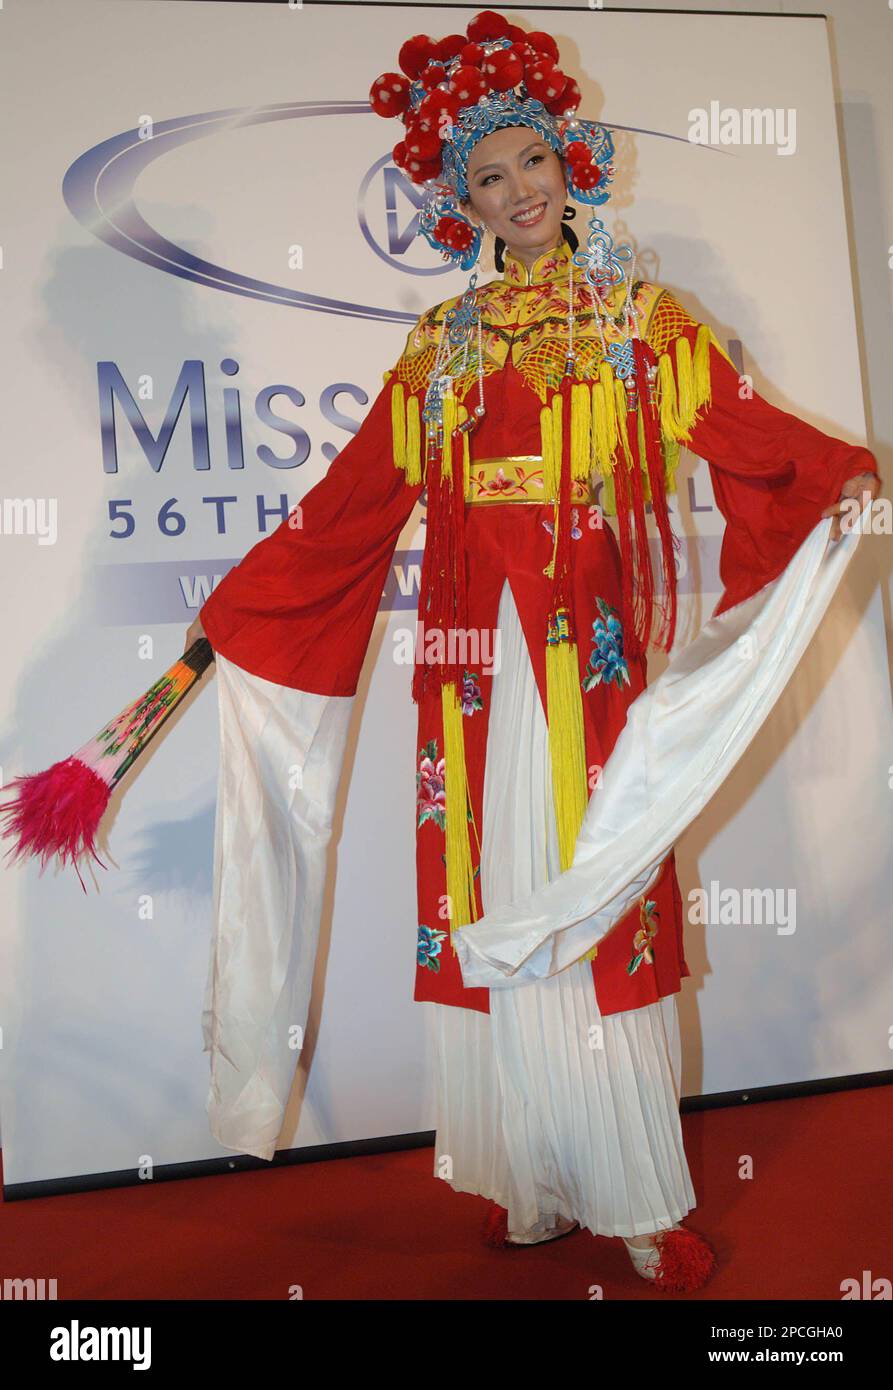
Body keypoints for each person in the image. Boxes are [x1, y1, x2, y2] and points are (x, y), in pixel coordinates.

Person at [184, 11, 880, 1292]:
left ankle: (630, 1193)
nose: (514, 195)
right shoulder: (438, 349)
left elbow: (744, 435)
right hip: (471, 676)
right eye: (485, 180)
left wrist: (833, 475)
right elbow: (344, 508)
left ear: (573, 167)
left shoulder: (638, 324)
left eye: (531, 167)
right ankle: (535, 1175)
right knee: (498, 897)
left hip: (593, 672)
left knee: (595, 894)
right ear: (460, 205)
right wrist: (234, 612)